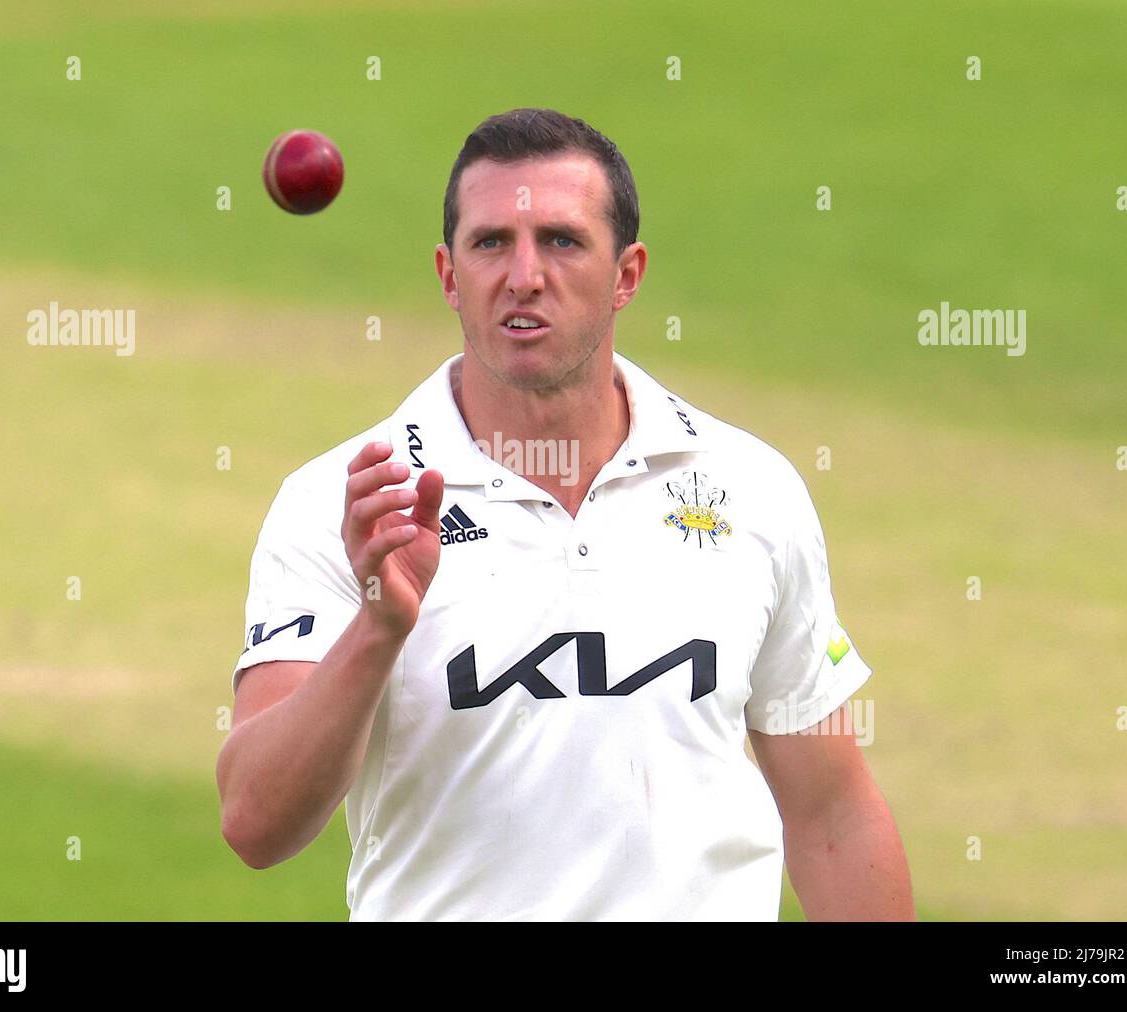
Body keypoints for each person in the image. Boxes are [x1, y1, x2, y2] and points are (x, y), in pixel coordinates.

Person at [216, 108, 914, 921]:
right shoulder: (350, 502)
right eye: (489, 244)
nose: (524, 276)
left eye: (561, 240)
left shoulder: (747, 487)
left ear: (627, 274)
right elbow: (256, 825)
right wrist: (376, 631)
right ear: (447, 274)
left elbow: (832, 815)